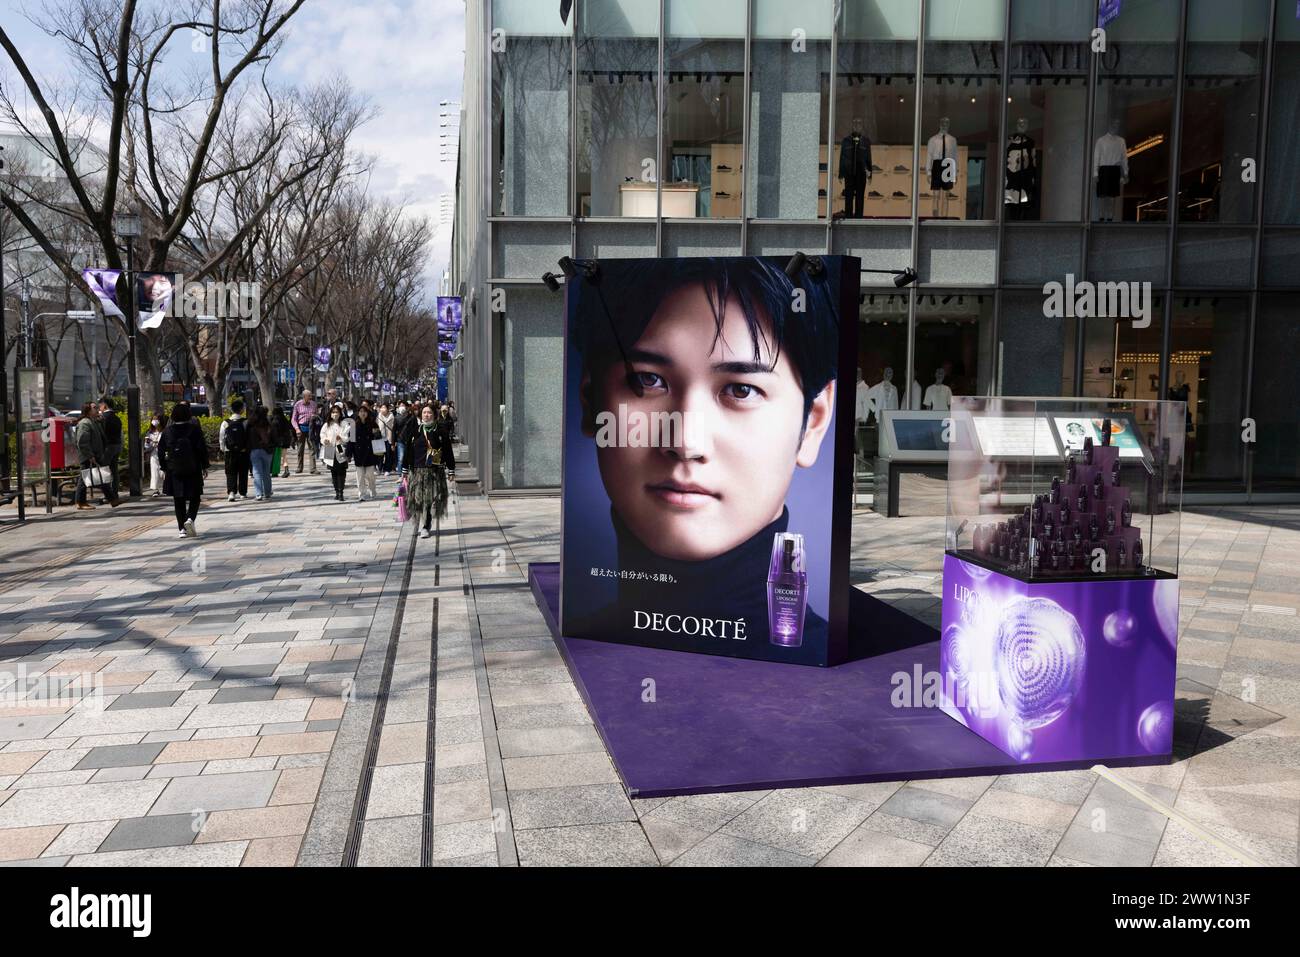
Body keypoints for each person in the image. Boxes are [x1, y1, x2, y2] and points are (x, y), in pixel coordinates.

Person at [565, 257, 839, 649]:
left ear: (813, 421)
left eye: (741, 390)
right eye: (647, 380)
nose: (685, 444)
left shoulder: (814, 657)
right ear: (591, 399)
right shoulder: (584, 634)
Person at [401, 404, 454, 539]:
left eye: (429, 413)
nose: (426, 415)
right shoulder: (415, 430)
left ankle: (426, 525)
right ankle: (418, 522)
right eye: (424, 413)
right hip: (417, 471)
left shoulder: (440, 431)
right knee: (417, 500)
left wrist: (451, 469)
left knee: (429, 500)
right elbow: (407, 450)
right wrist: (404, 468)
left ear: (434, 415)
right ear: (421, 415)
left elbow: (448, 450)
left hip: (434, 471)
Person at [160, 401, 209, 537]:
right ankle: (190, 518)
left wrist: (164, 468)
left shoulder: (167, 431)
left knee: (178, 499)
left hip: (174, 469)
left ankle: (182, 528)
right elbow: (202, 449)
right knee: (195, 496)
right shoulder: (194, 430)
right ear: (188, 415)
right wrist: (204, 466)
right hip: (193, 468)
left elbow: (160, 451)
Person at [74, 402, 120, 510]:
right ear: (88, 410)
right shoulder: (85, 423)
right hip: (88, 456)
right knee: (87, 478)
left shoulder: (93, 421)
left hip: (95, 454)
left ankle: (112, 499)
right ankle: (81, 502)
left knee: (99, 476)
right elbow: (82, 442)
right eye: (94, 408)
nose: (97, 409)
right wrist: (89, 455)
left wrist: (101, 420)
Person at [319, 404, 354, 502]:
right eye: (333, 412)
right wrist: (325, 440)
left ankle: (341, 492)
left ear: (340, 413)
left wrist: (341, 438)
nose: (335, 414)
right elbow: (322, 435)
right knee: (333, 471)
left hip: (339, 447)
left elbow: (347, 437)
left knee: (342, 470)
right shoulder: (327, 424)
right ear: (330, 413)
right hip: (329, 448)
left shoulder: (344, 424)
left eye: (337, 412)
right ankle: (336, 491)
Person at [219, 399, 250, 501]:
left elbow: (222, 437)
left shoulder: (225, 422)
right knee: (243, 472)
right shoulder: (245, 422)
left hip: (229, 452)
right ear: (242, 409)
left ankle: (231, 492)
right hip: (243, 451)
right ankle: (243, 492)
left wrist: (223, 448)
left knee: (230, 472)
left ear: (231, 410)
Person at [351, 405, 381, 500]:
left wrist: (376, 433)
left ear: (367, 413)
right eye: (361, 411)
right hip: (358, 453)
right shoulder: (353, 425)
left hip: (370, 453)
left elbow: (378, 437)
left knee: (370, 475)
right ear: (358, 413)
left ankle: (372, 490)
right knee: (359, 477)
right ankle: (362, 494)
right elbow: (351, 441)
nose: (363, 413)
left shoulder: (373, 424)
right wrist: (348, 454)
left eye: (365, 411)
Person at [97, 396, 123, 496]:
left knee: (104, 470)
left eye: (100, 405)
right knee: (114, 470)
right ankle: (115, 492)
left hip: (107, 447)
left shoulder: (103, 418)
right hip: (117, 445)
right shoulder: (117, 418)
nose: (99, 408)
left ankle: (107, 494)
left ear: (104, 405)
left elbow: (100, 433)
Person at [248, 405, 275, 501]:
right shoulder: (268, 424)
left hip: (254, 450)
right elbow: (273, 437)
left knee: (257, 472)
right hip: (267, 450)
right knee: (266, 472)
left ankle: (258, 494)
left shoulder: (251, 424)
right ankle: (267, 492)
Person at [290, 389, 318, 475]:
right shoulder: (298, 404)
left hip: (311, 428)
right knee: (300, 449)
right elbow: (293, 419)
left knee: (312, 448)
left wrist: (315, 416)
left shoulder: (313, 404)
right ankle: (299, 467)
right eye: (309, 396)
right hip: (301, 428)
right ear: (304, 396)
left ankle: (313, 469)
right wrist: (297, 429)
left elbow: (317, 415)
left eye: (311, 396)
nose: (310, 397)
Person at [143, 410, 167, 496]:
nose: (155, 421)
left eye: (157, 419)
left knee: (163, 471)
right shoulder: (149, 432)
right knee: (154, 471)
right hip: (154, 454)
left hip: (164, 454)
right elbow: (146, 446)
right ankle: (155, 489)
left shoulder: (165, 432)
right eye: (153, 419)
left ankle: (166, 487)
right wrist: (150, 443)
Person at [270, 406, 295, 479]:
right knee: (284, 456)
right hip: (286, 440)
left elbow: (274, 432)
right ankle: (286, 469)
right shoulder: (285, 420)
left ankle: (275, 472)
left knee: (276, 457)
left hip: (278, 441)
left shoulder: (274, 421)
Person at [376, 402, 395, 474]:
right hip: (380, 437)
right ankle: (380, 468)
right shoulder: (378, 417)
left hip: (389, 438)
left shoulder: (392, 416)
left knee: (388, 455)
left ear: (388, 409)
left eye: (384, 407)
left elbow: (394, 428)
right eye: (381, 408)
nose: (383, 409)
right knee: (380, 455)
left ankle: (387, 469)